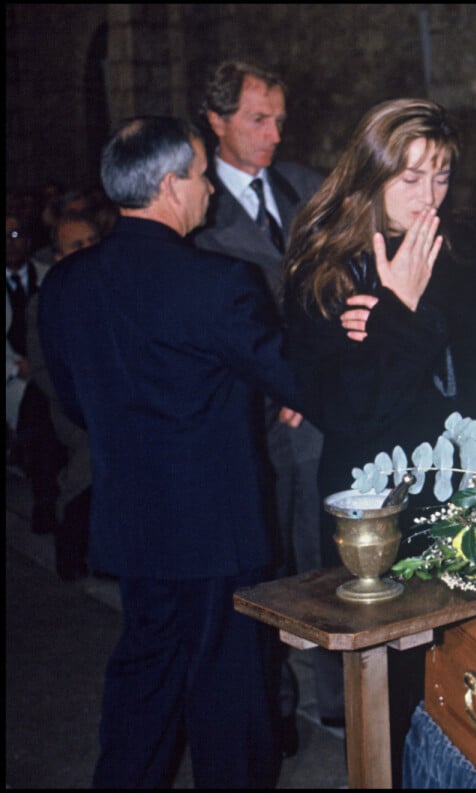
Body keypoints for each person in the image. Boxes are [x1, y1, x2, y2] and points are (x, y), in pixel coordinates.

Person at [37, 115, 304, 787]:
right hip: (216, 532)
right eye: (200, 174)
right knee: (230, 700)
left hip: (132, 522)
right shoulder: (220, 282)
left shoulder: (67, 285)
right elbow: (293, 378)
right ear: (167, 186)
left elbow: (74, 403)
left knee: (143, 686)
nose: (210, 188)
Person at [282, 97, 465, 775]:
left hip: (453, 486)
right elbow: (357, 416)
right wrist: (403, 313)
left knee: (455, 684)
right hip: (376, 504)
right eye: (411, 177)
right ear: (371, 173)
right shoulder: (324, 269)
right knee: (395, 693)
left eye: (441, 175)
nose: (429, 196)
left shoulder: (447, 245)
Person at [190, 58, 325, 748]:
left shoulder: (305, 187)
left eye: (279, 118)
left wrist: (314, 369)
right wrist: (279, 380)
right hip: (246, 411)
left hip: (311, 404)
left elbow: (341, 278)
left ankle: (330, 692)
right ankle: (269, 702)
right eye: (258, 120)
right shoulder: (192, 200)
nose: (275, 133)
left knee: (318, 543)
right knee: (260, 558)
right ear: (216, 122)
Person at [25, 210, 102, 580]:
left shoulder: (110, 287)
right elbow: (43, 368)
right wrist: (83, 406)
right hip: (73, 406)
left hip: (112, 404)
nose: (87, 249)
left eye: (91, 241)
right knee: (86, 469)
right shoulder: (46, 302)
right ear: (57, 255)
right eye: (76, 245)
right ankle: (70, 550)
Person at [6, 206, 63, 537]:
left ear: (28, 240)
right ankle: (43, 495)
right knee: (36, 405)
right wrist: (16, 367)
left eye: (15, 235)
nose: (10, 244)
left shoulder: (47, 274)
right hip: (14, 377)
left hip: (47, 369)